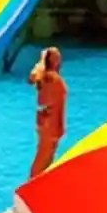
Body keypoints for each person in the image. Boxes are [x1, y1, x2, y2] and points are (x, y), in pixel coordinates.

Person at [28, 47, 67, 179]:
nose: (60, 59)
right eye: (57, 56)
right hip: (49, 123)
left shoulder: (49, 77)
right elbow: (32, 77)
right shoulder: (48, 77)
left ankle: (37, 187)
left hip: (51, 123)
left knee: (46, 160)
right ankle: (31, 188)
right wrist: (41, 60)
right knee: (42, 161)